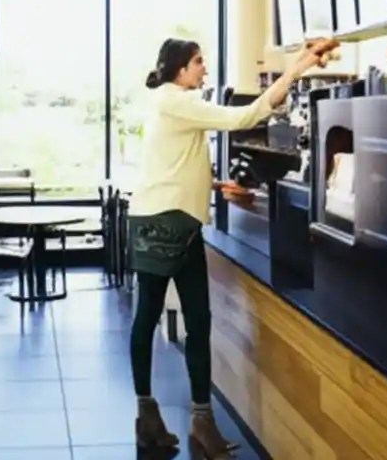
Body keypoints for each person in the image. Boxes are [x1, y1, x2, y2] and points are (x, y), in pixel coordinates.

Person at [128, 37, 332, 457]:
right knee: (168, 318)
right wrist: (297, 68)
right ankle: (175, 420)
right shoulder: (177, 100)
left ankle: (173, 420)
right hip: (167, 224)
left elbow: (174, 160)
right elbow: (245, 117)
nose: (204, 69)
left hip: (166, 220)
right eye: (199, 62)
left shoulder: (169, 101)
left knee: (179, 318)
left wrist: (214, 184)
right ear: (180, 69)